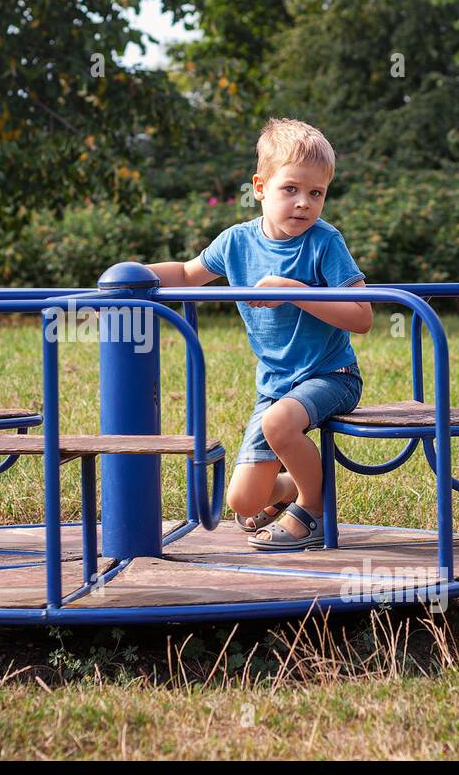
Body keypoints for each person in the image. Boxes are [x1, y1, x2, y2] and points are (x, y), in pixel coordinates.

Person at [146, 117, 371, 550]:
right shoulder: (236, 243)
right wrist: (134, 276)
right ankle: (287, 488)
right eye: (291, 189)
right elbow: (187, 274)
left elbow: (362, 316)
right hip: (275, 385)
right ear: (260, 187)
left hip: (333, 375)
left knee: (279, 422)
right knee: (243, 500)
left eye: (316, 193)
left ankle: (312, 510)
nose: (304, 203)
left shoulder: (325, 242)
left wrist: (295, 291)